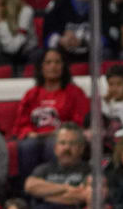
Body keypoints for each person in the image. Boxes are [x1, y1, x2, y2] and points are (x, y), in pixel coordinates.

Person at [13, 48, 89, 179]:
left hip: (61, 135)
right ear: (41, 67)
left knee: (54, 145)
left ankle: (57, 184)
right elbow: (21, 121)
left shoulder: (75, 92)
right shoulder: (32, 93)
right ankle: (28, 189)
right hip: (35, 136)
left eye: (57, 62)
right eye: (48, 62)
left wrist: (62, 132)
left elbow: (81, 121)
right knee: (27, 146)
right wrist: (30, 132)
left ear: (64, 66)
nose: (53, 66)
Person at [23, 122, 91, 209]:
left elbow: (84, 196)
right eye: (62, 143)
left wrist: (46, 195)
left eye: (72, 143)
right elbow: (30, 187)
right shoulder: (44, 169)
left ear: (81, 148)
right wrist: (67, 188)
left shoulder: (89, 170)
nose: (67, 148)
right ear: (55, 148)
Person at [44, 0, 117, 62]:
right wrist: (60, 39)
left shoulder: (106, 4)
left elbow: (112, 38)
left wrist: (85, 40)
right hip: (64, 53)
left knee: (108, 53)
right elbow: (47, 35)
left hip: (94, 55)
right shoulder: (58, 4)